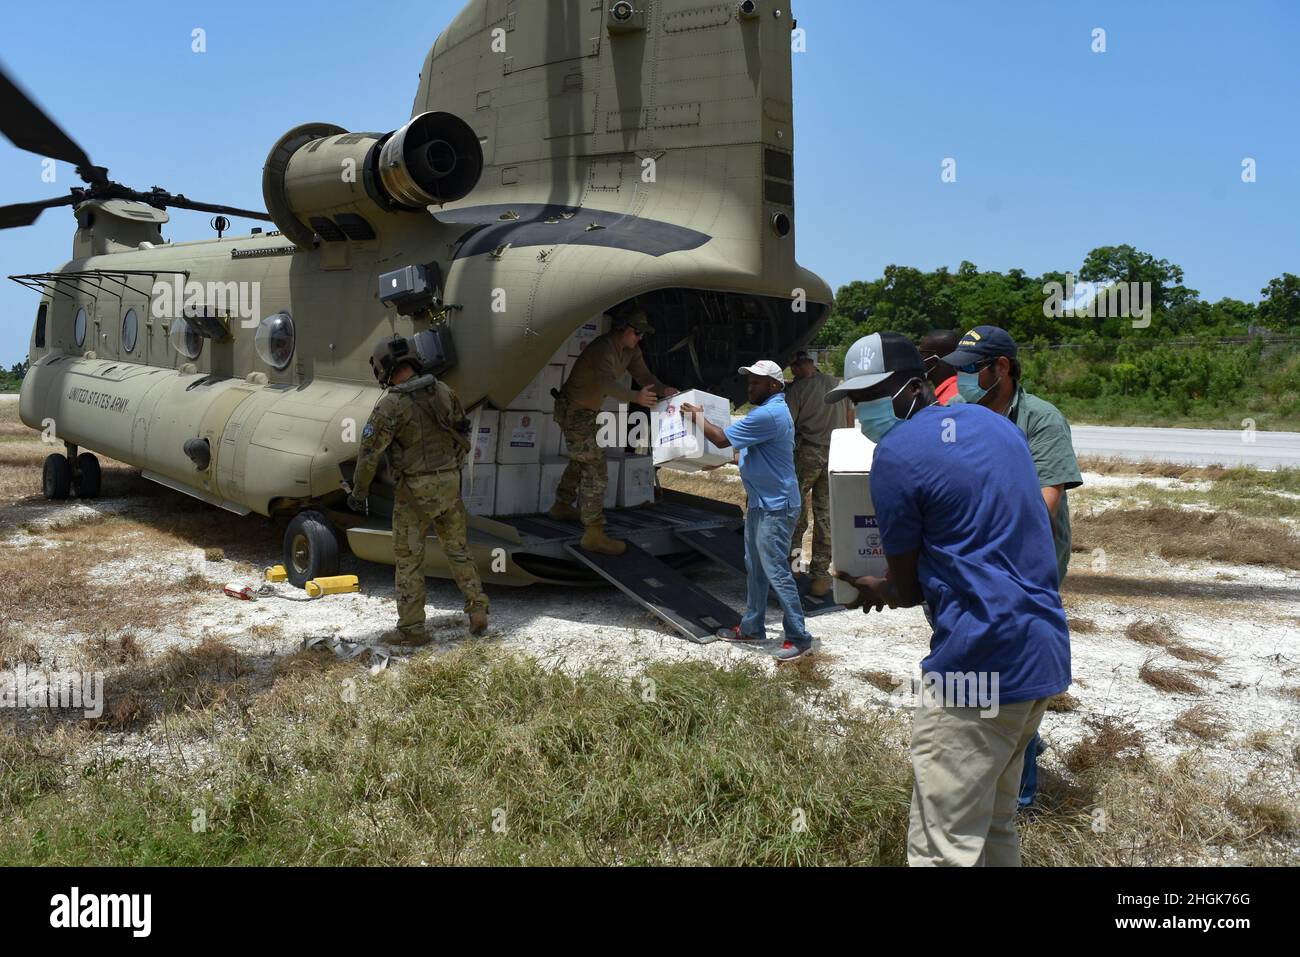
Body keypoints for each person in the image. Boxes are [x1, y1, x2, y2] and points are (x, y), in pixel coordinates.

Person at [830, 332, 1070, 866]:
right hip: (1042, 650)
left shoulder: (895, 454)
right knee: (993, 824)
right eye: (854, 399)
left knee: (942, 845)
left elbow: (908, 584)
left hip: (977, 663)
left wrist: (874, 589)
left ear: (914, 387)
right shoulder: (996, 426)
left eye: (871, 395)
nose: (861, 410)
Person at [941, 325, 1083, 810]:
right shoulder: (959, 417)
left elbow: (1045, 502)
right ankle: (1005, 758)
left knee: (1015, 670)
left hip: (1028, 567)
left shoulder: (1040, 419)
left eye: (969, 368)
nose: (960, 378)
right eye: (956, 369)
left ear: (1001, 367)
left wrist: (974, 524)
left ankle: (1019, 796)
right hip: (976, 565)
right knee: (985, 671)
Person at [349, 338, 489, 644]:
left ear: (384, 368)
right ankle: (478, 609)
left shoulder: (390, 405)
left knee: (409, 560)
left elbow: (369, 453)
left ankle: (412, 630)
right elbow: (462, 432)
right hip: (449, 482)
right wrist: (452, 470)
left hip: (414, 491)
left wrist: (358, 492)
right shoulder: (443, 390)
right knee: (458, 550)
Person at [682, 361, 814, 662]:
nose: (750, 387)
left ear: (775, 386)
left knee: (776, 570)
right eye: (750, 381)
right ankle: (754, 627)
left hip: (776, 506)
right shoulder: (770, 413)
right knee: (755, 567)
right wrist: (720, 461)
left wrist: (696, 417)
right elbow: (750, 451)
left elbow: (720, 438)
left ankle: (798, 636)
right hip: (762, 503)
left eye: (757, 382)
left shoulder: (769, 413)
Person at [549, 307, 677, 556]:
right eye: (637, 333)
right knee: (595, 467)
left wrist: (663, 389)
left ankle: (562, 505)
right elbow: (606, 382)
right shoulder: (603, 348)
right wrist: (635, 398)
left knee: (581, 459)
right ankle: (593, 533)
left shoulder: (631, 351)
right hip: (573, 411)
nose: (639, 338)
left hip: (587, 412)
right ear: (624, 329)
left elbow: (644, 375)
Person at [785, 351, 854, 597]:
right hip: (835, 452)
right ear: (813, 363)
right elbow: (849, 418)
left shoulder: (797, 391)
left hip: (807, 453)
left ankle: (793, 567)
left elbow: (788, 424)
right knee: (825, 516)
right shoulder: (838, 384)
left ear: (796, 367)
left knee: (796, 512)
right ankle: (821, 577)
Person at [918, 330, 961, 406]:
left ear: (935, 359)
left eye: (922, 353)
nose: (918, 358)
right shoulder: (959, 388)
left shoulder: (948, 402)